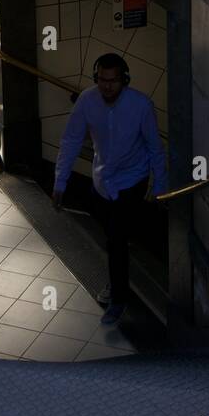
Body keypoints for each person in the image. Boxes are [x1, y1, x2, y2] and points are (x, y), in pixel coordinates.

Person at [52, 52, 167, 326]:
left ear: (124, 80)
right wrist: (60, 182)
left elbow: (155, 148)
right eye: (102, 80)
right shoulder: (87, 101)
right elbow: (70, 140)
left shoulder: (140, 105)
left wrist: (160, 185)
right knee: (112, 235)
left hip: (132, 180)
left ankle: (119, 299)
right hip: (101, 182)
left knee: (115, 239)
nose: (107, 87)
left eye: (113, 81)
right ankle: (120, 268)